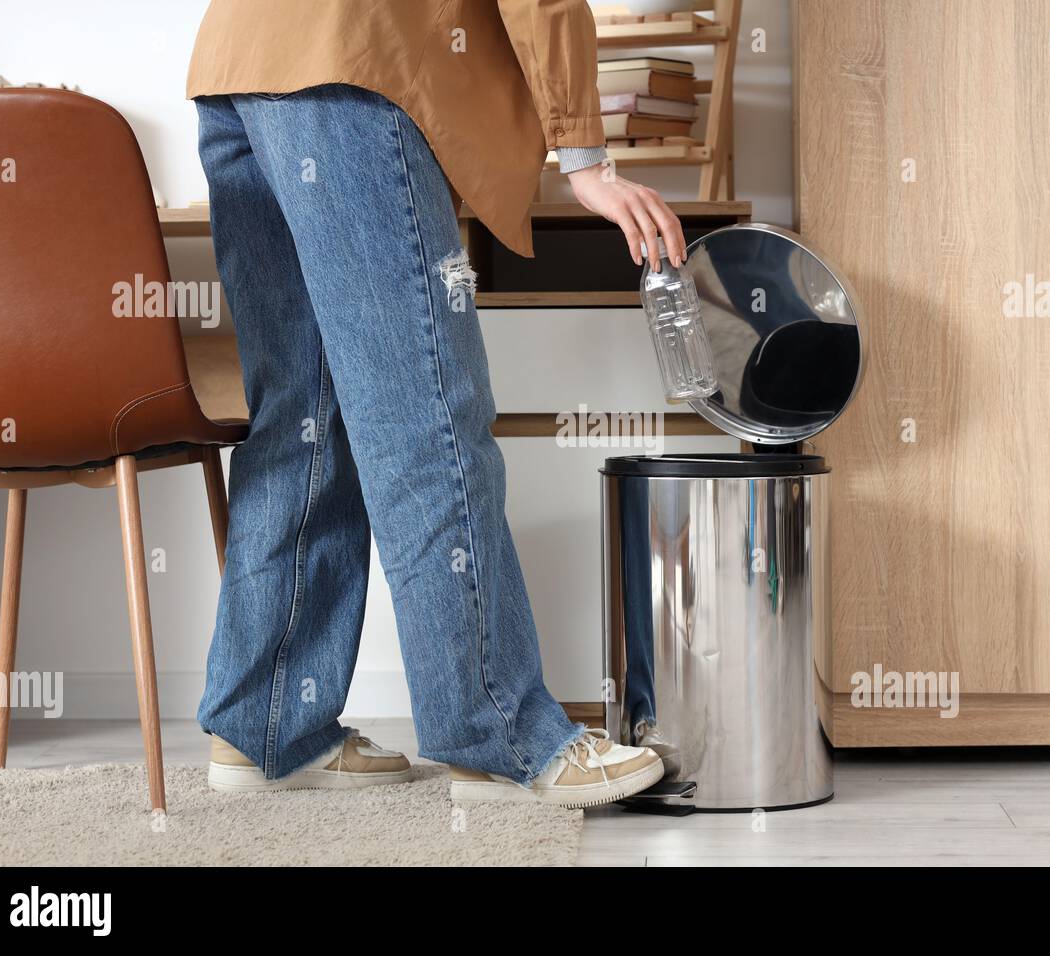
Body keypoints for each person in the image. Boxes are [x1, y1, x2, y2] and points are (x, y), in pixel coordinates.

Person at [185, 0, 687, 808]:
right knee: (426, 418)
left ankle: (265, 728)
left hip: (238, 66)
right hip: (351, 65)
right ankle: (500, 738)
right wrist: (585, 156)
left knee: (304, 417)